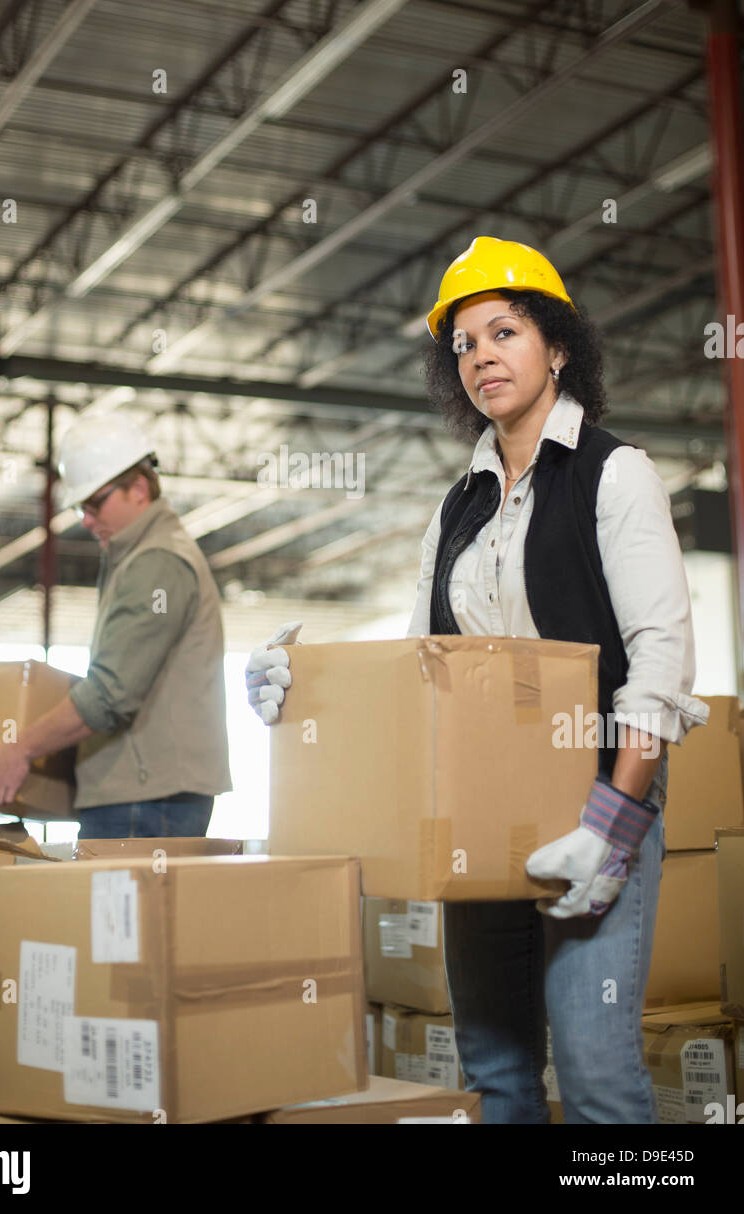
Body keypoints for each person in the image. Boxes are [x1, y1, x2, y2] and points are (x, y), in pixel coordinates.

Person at [245, 235, 709, 1124]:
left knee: (597, 1073)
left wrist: (611, 827)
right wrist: (301, 688)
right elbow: (423, 676)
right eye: (463, 344)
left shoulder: (614, 475)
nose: (481, 356)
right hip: (479, 822)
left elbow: (658, 665)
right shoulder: (456, 507)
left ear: (558, 347)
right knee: (494, 1074)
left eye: (504, 332)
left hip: (595, 805)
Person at [0, 412, 232, 838]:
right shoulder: (142, 557)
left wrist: (20, 749)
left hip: (146, 801)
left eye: (95, 502)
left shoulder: (156, 561)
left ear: (137, 487)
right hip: (145, 796)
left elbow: (111, 694)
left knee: (129, 908)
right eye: (81, 506)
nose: (86, 518)